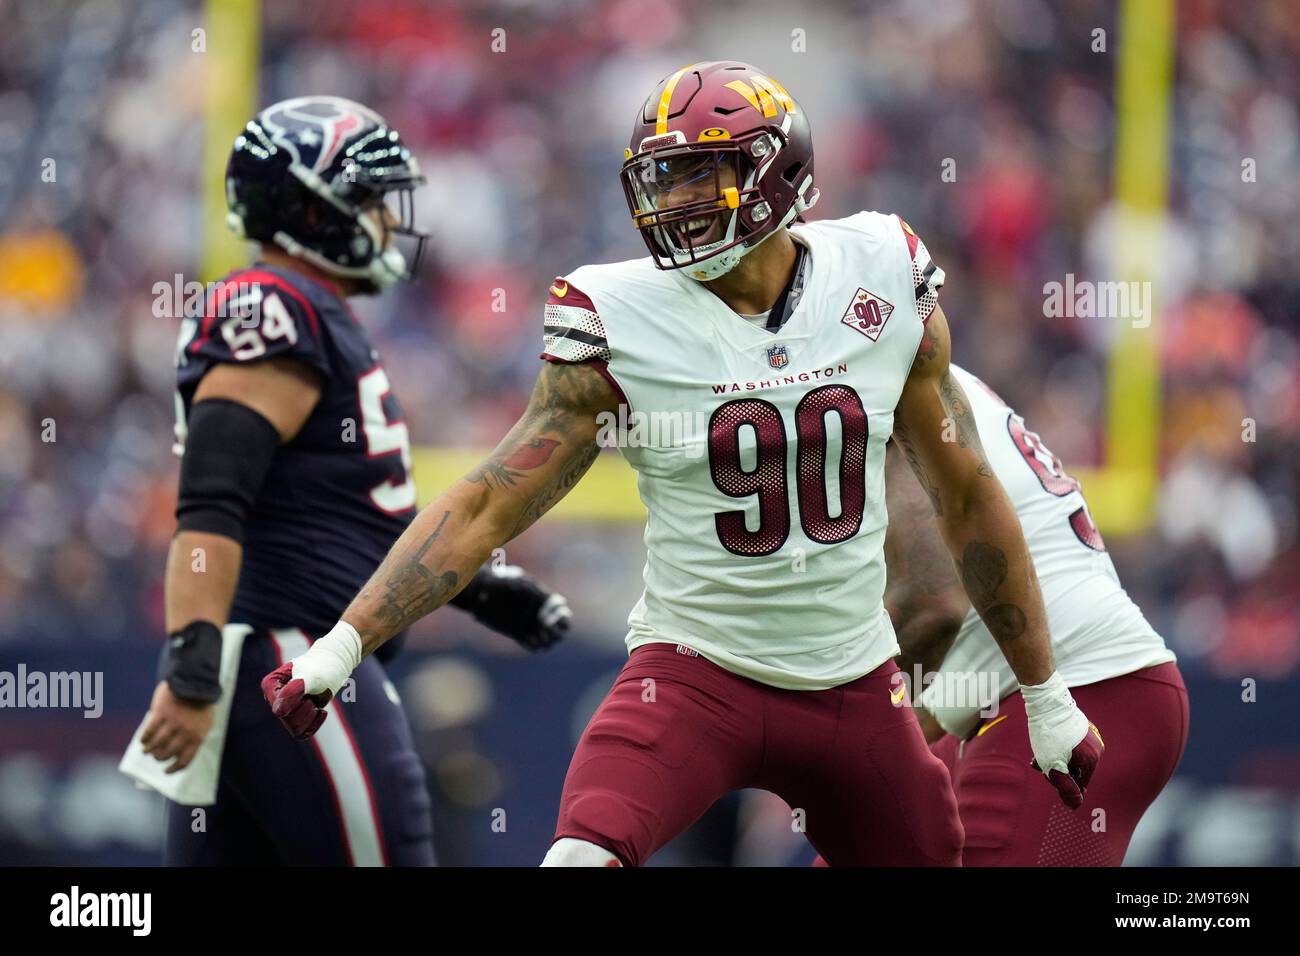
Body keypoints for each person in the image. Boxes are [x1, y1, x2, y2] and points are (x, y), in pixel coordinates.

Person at [263, 63, 1099, 866]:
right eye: (661, 180)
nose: (674, 202)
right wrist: (345, 643)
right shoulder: (618, 315)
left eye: (701, 176)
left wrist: (1045, 692)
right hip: (695, 675)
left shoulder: (877, 272)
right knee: (579, 854)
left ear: (774, 171)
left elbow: (966, 494)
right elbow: (491, 500)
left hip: (853, 683)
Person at [136, 96, 570, 866]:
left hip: (269, 667)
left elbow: (344, 514)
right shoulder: (269, 305)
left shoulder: (314, 312)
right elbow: (210, 508)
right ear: (312, 207)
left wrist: (478, 585)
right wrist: (192, 668)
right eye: (368, 199)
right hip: (292, 661)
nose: (383, 219)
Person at [882, 364, 1187, 866]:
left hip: (1082, 686)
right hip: (1004, 698)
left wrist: (862, 732)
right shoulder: (907, 363)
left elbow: (932, 604)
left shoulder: (873, 372)